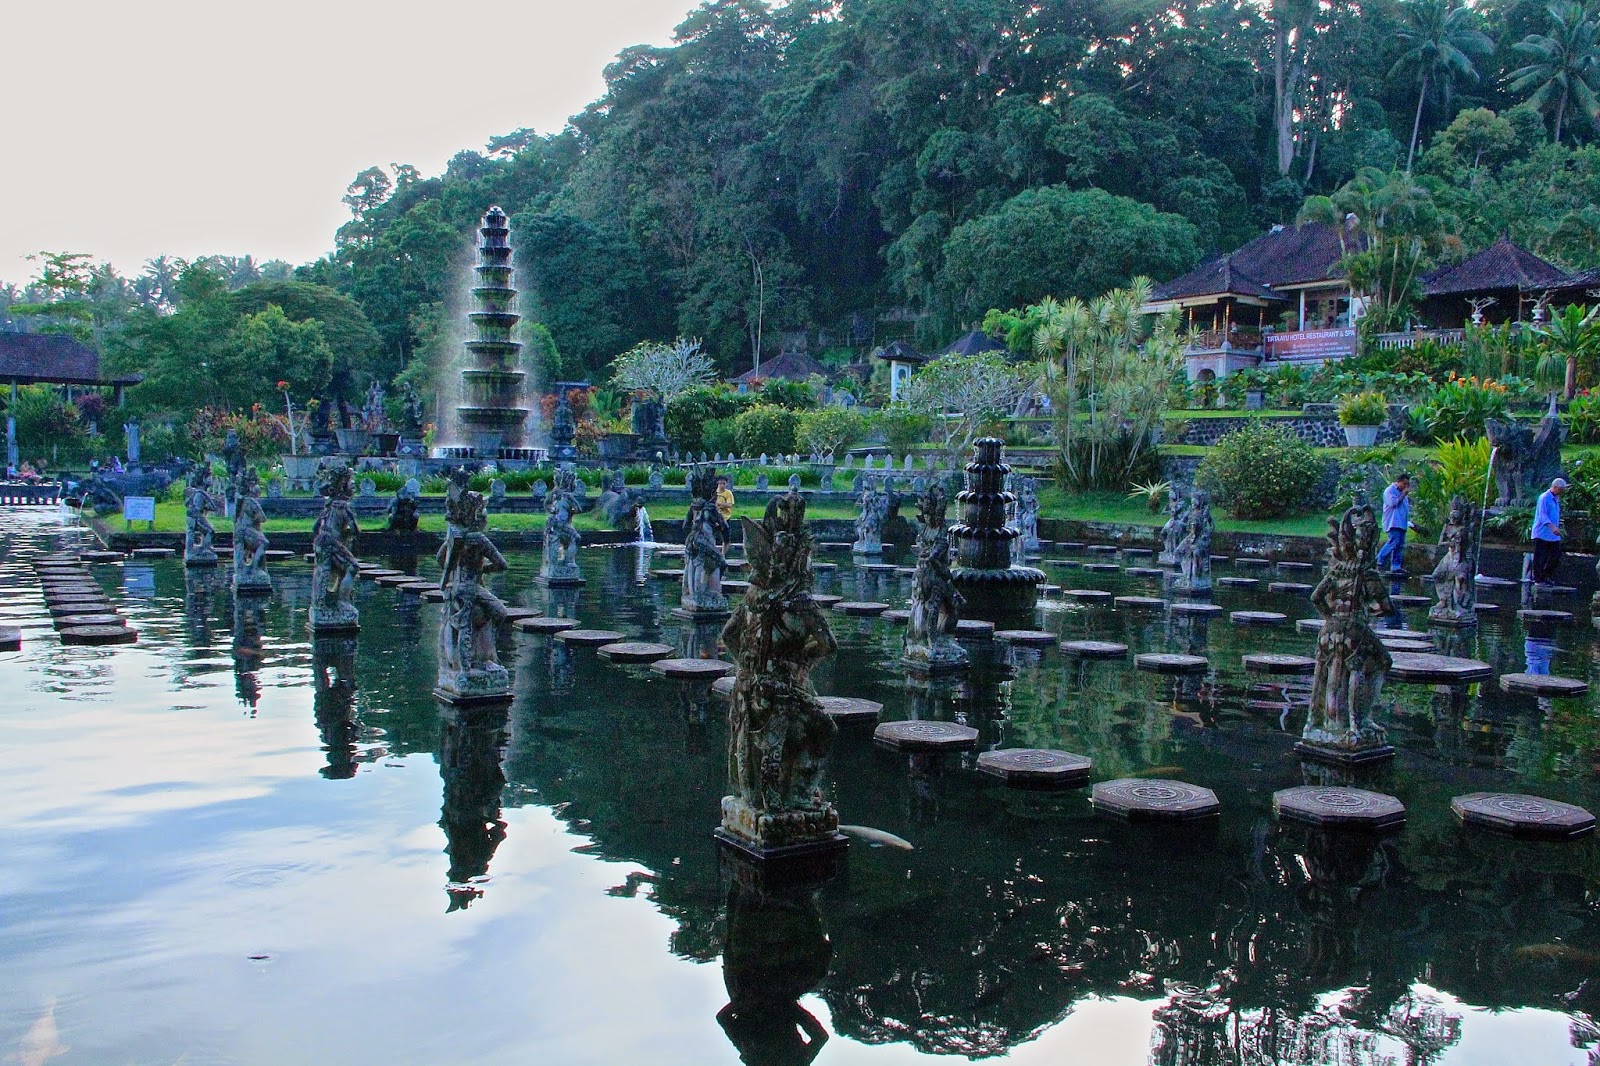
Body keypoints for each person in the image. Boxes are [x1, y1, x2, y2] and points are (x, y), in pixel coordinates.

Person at [1531, 477, 1568, 585]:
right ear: (1555, 487)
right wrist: (1552, 527)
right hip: (1542, 533)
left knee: (1556, 555)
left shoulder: (1556, 498)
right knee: (1540, 557)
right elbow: (1542, 515)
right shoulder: (1544, 498)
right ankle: (1538, 579)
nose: (1562, 492)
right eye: (1561, 490)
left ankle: (1545, 575)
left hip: (1552, 535)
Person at [1376, 472, 1412, 576]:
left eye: (1407, 485)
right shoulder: (1389, 491)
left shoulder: (1403, 494)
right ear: (1398, 482)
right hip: (1392, 522)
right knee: (1393, 542)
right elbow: (1393, 503)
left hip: (1402, 523)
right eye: (1404, 484)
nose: (1406, 487)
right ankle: (1379, 561)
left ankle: (1396, 567)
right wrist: (1403, 495)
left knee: (1400, 545)